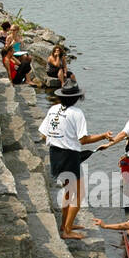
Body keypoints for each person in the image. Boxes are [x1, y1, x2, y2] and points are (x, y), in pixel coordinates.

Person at [39, 82, 112, 239]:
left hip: (55, 154)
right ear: (76, 98)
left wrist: (61, 140)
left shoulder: (53, 109)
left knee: (68, 191)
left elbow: (44, 135)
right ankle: (67, 231)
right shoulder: (77, 113)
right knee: (79, 194)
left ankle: (65, 224)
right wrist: (103, 136)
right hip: (69, 156)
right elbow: (83, 139)